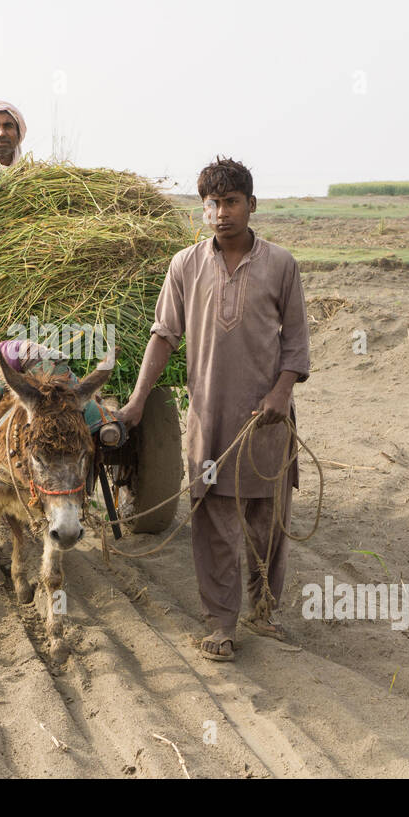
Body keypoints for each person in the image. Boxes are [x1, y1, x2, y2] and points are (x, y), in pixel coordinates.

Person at [116, 156, 310, 662]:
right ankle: (220, 625)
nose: (221, 213)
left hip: (265, 419)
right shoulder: (184, 265)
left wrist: (281, 393)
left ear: (251, 205)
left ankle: (263, 610)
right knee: (214, 522)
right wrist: (137, 401)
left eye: (230, 202)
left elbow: (296, 344)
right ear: (203, 210)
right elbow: (164, 336)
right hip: (209, 417)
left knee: (266, 520)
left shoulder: (282, 265)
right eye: (212, 204)